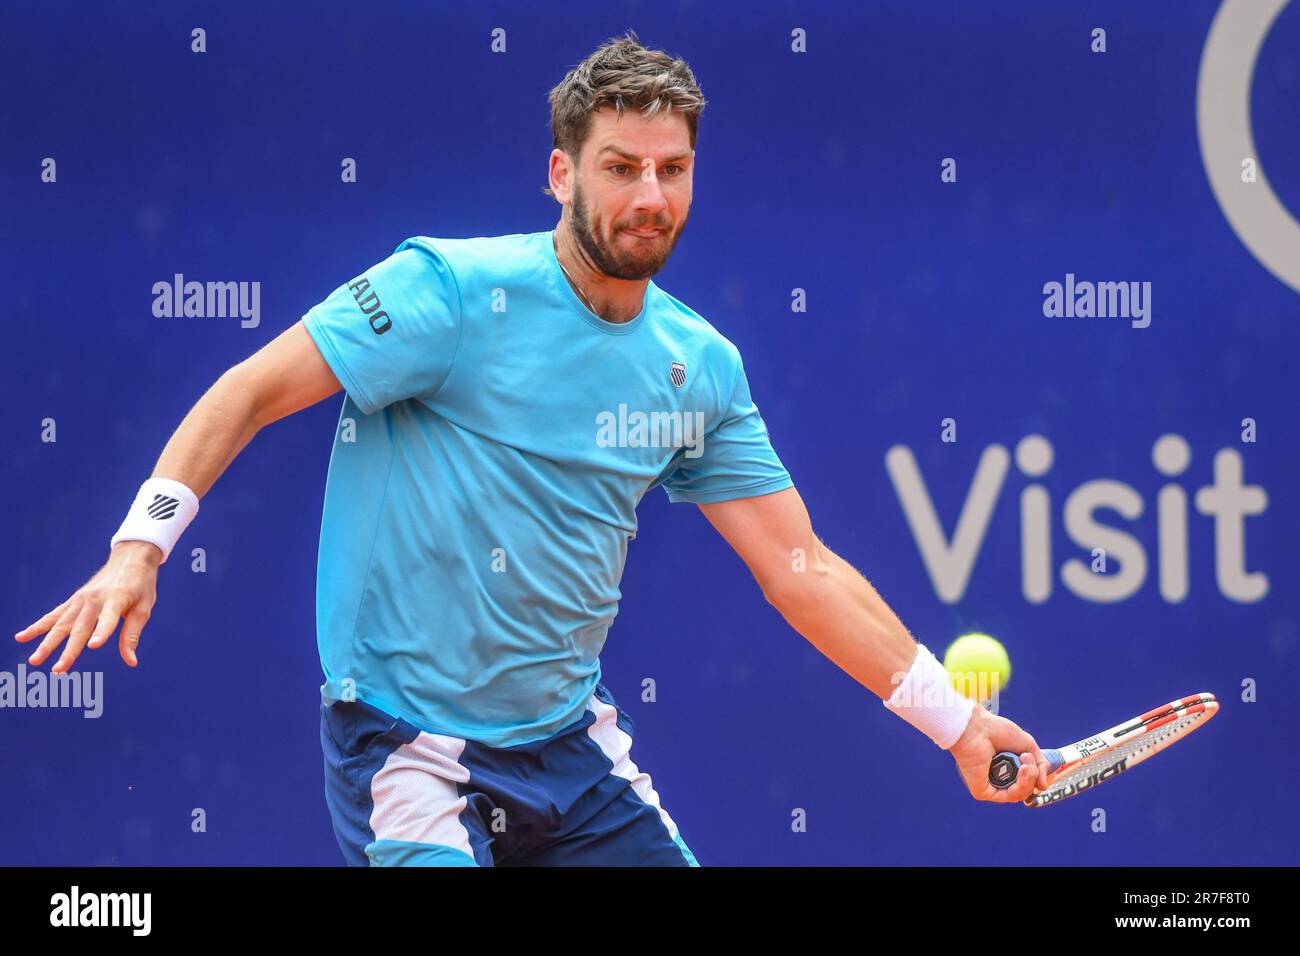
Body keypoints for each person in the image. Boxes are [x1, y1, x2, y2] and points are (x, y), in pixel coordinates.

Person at [14, 31, 1051, 866]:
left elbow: (800, 568)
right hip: (407, 750)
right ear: (561, 172)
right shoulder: (446, 292)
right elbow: (245, 391)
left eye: (673, 170)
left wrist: (956, 726)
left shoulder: (699, 366)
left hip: (570, 749)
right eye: (620, 168)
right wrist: (139, 546)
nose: (650, 197)